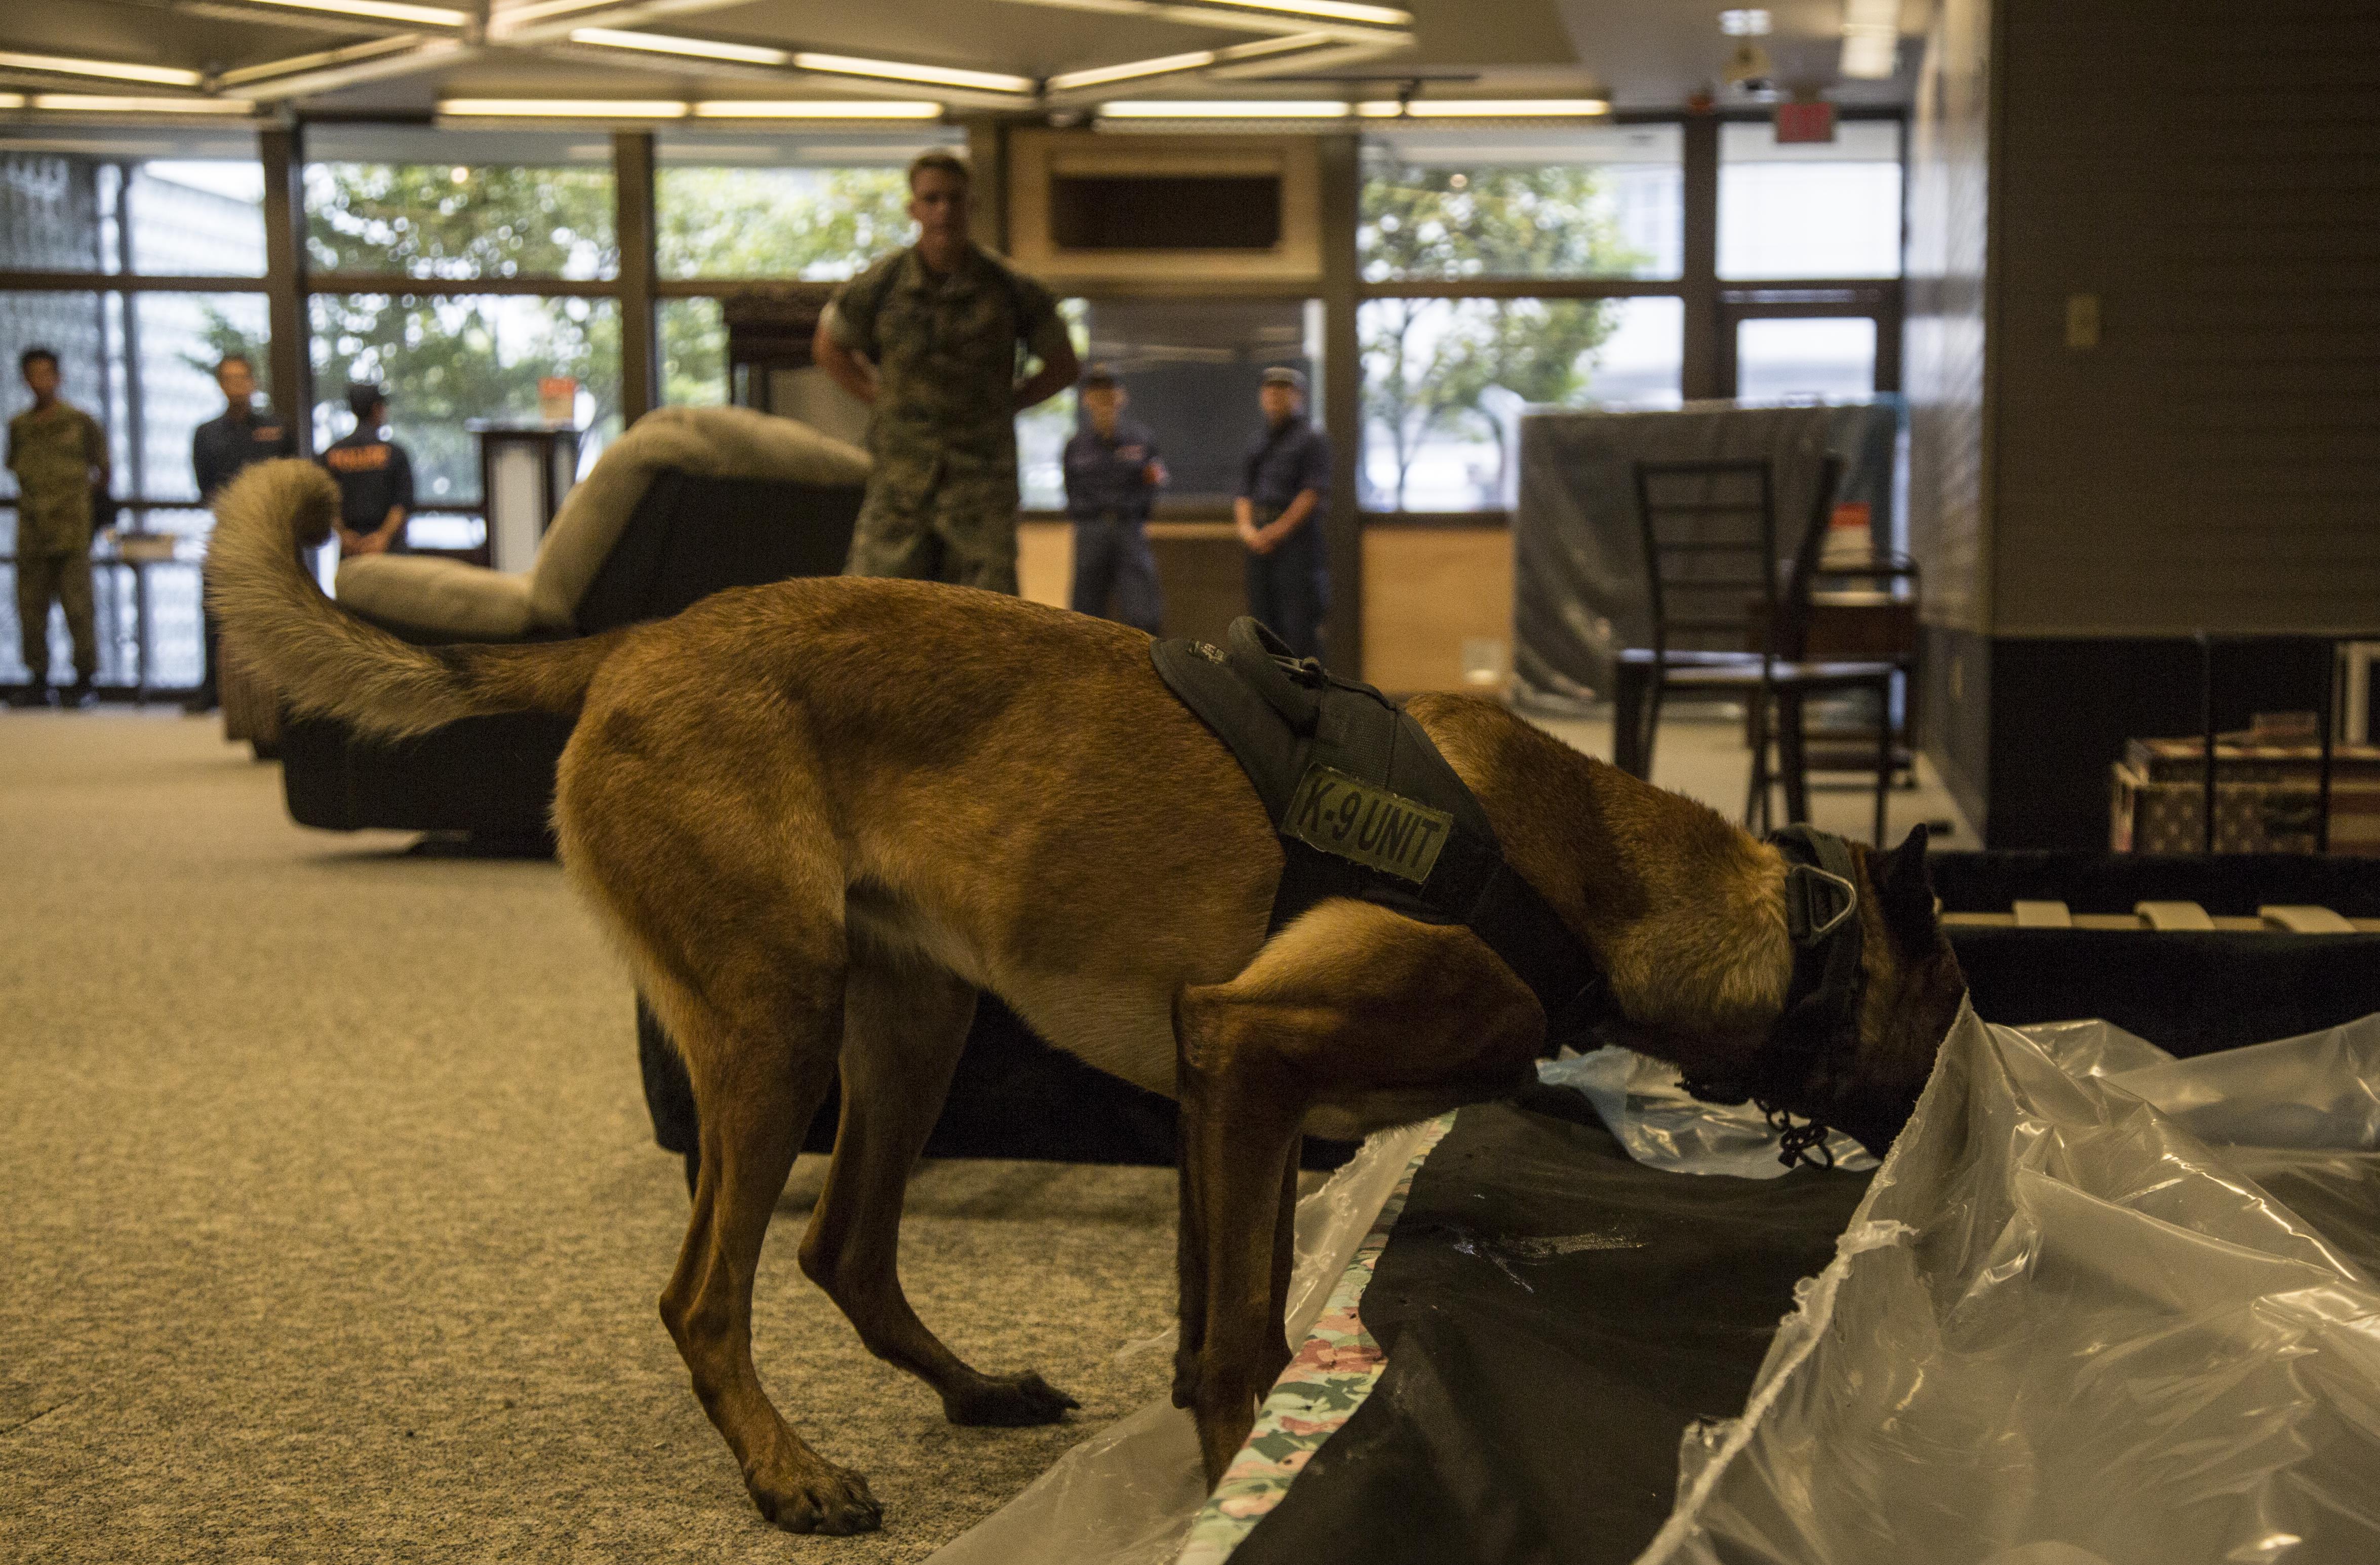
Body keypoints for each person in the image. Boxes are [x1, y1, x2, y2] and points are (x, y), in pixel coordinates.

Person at [813, 150, 1080, 595]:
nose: (944, 211)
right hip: (900, 484)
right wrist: (880, 398)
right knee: (872, 608)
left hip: (981, 488)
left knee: (989, 621)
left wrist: (1005, 404)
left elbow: (1063, 365)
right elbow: (829, 347)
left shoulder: (1011, 288)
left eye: (955, 199)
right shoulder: (882, 284)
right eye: (932, 199)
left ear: (971, 206)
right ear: (914, 209)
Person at [186, 354, 296, 713]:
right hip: (228, 534)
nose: (237, 385)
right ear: (220, 384)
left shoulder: (277, 429)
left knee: (277, 610)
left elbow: (290, 479)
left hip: (270, 535)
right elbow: (205, 489)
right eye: (229, 378)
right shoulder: (206, 434)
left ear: (254, 382)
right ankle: (212, 690)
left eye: (242, 378)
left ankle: (280, 689)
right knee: (215, 610)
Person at [6, 347, 109, 709]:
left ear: (59, 377)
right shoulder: (19, 426)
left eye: (47, 373)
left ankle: (84, 681)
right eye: (34, 374)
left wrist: (85, 511)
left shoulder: (80, 422)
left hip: (72, 531)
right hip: (32, 531)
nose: (41, 381)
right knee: (30, 609)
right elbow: (15, 468)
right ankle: (38, 679)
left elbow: (103, 472)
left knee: (79, 609)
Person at [1234, 365, 1332, 660]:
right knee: (1262, 628)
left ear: (1299, 397)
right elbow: (1244, 492)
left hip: (1296, 544)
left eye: (1283, 390)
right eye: (1269, 390)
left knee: (1299, 628)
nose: (1275, 396)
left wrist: (1275, 532)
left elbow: (1311, 494)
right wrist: (1248, 530)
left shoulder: (1312, 439)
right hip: (1259, 541)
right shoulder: (1258, 441)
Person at [1062, 366, 1166, 634]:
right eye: (1096, 392)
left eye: (1109, 391)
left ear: (1122, 397)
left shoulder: (1141, 440)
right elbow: (1071, 489)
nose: (1103, 398)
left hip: (1128, 528)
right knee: (1085, 614)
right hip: (1091, 529)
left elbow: (1153, 483)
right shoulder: (1076, 445)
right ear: (1086, 399)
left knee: (1142, 612)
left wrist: (1135, 516)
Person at [319, 383, 412, 559]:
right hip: (389, 552)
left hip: (351, 552)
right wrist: (383, 537)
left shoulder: (331, 455)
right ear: (377, 409)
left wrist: (345, 535)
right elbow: (402, 503)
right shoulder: (395, 453)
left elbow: (327, 504)